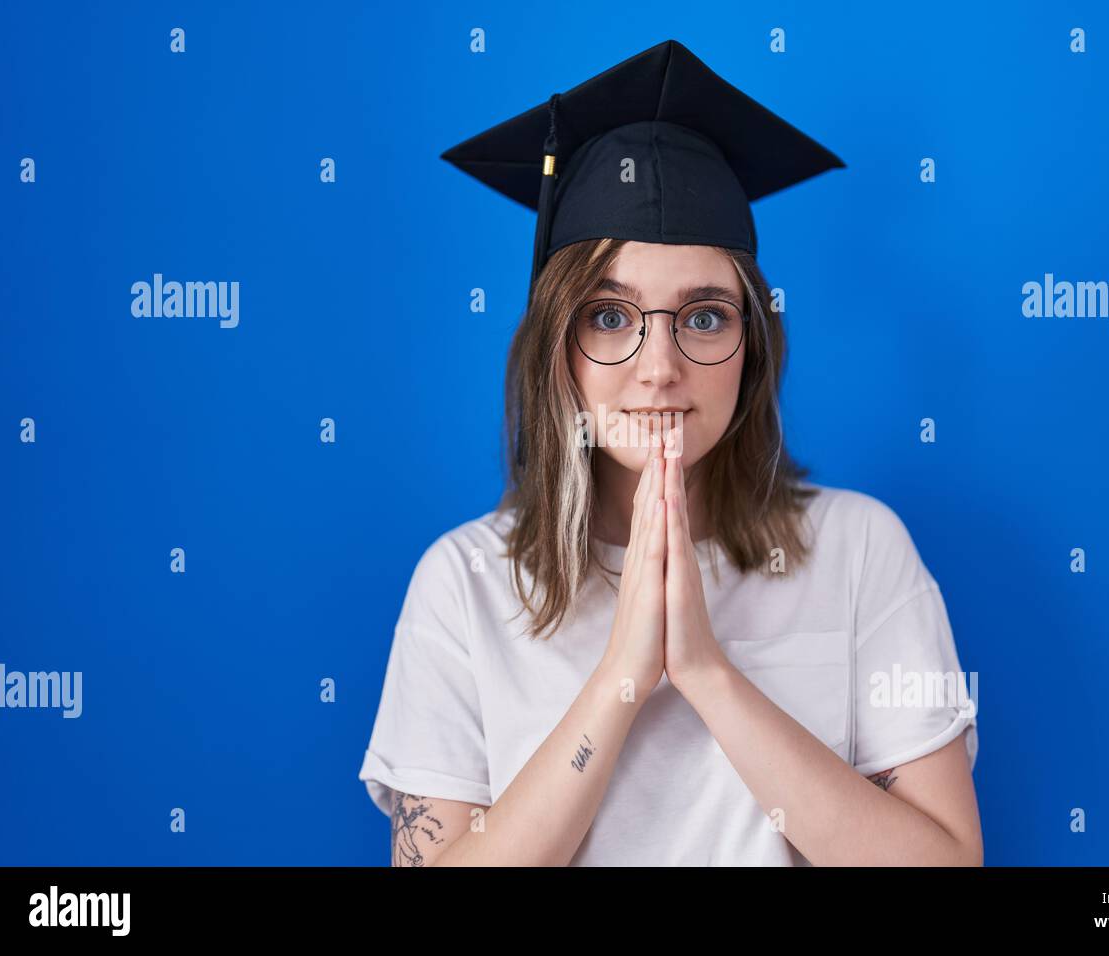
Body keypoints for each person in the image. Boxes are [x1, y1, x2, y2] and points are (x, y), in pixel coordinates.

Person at [359, 39, 981, 866]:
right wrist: (624, 673)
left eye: (705, 316)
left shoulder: (861, 550)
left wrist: (707, 672)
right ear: (560, 349)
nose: (660, 370)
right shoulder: (463, 585)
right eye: (610, 317)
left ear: (753, 346)